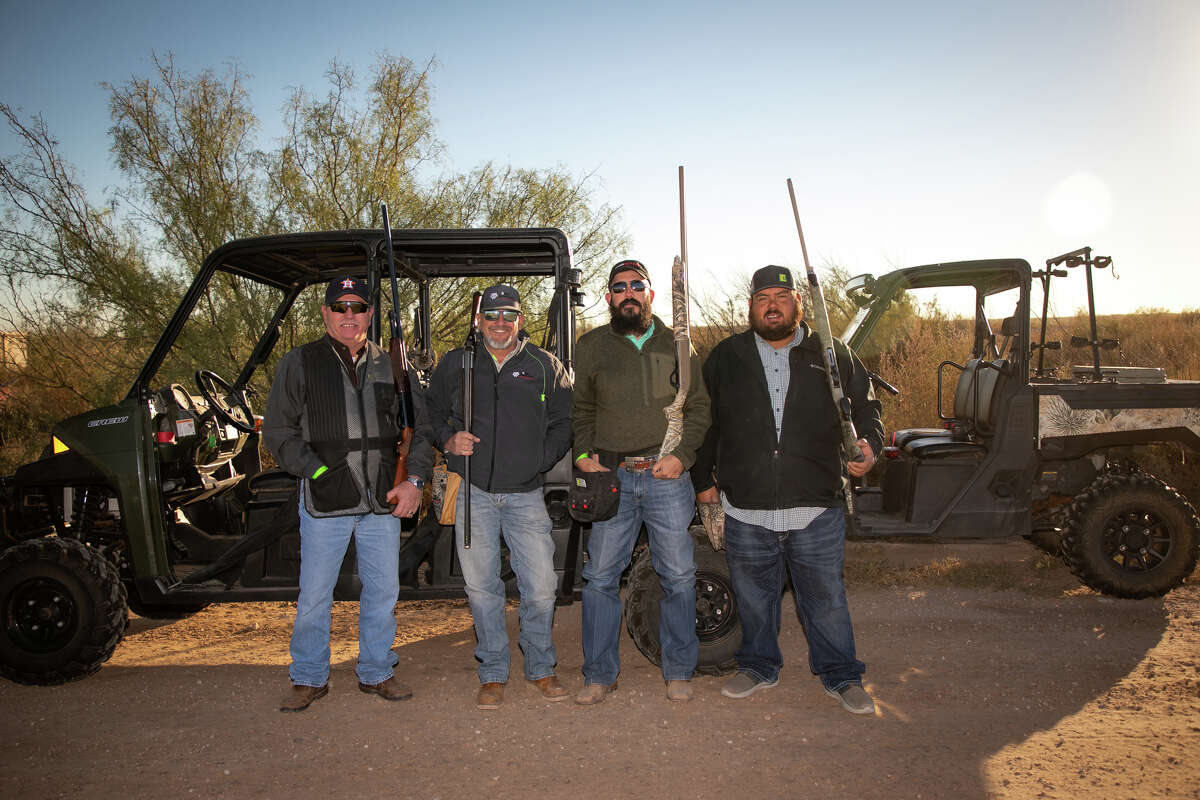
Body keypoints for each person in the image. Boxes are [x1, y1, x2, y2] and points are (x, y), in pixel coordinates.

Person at [692, 265, 883, 715]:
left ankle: (841, 674)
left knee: (825, 598)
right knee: (754, 599)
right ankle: (758, 666)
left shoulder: (832, 354)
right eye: (763, 298)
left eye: (781, 295)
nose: (772, 305)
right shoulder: (725, 358)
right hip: (747, 506)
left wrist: (868, 446)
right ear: (751, 307)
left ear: (799, 302)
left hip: (815, 504)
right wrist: (704, 484)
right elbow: (704, 424)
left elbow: (867, 408)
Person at [264, 276, 432, 713]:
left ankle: (376, 670)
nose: (349, 315)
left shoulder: (393, 364)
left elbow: (421, 430)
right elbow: (279, 432)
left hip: (381, 499)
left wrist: (413, 481)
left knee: (382, 591)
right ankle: (308, 676)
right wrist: (317, 470)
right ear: (325, 313)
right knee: (315, 594)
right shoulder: (299, 362)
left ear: (370, 315)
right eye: (340, 307)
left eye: (358, 307)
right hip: (325, 500)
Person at [425, 284, 573, 710]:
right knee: (482, 588)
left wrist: (539, 460)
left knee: (542, 586)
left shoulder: (545, 366)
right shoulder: (457, 364)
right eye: (492, 316)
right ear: (479, 321)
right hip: (474, 493)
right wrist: (448, 440)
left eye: (509, 315)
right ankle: (492, 672)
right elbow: (431, 413)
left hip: (526, 496)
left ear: (520, 321)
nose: (500, 323)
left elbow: (564, 421)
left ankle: (541, 667)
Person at [573, 259, 710, 704]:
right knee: (599, 578)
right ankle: (598, 674)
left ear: (650, 295)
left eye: (637, 286)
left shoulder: (679, 344)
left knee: (679, 575)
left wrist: (682, 457)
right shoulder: (590, 346)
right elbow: (581, 411)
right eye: (619, 287)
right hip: (612, 478)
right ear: (609, 296)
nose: (628, 293)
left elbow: (699, 409)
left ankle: (679, 670)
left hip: (666, 476)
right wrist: (582, 455)